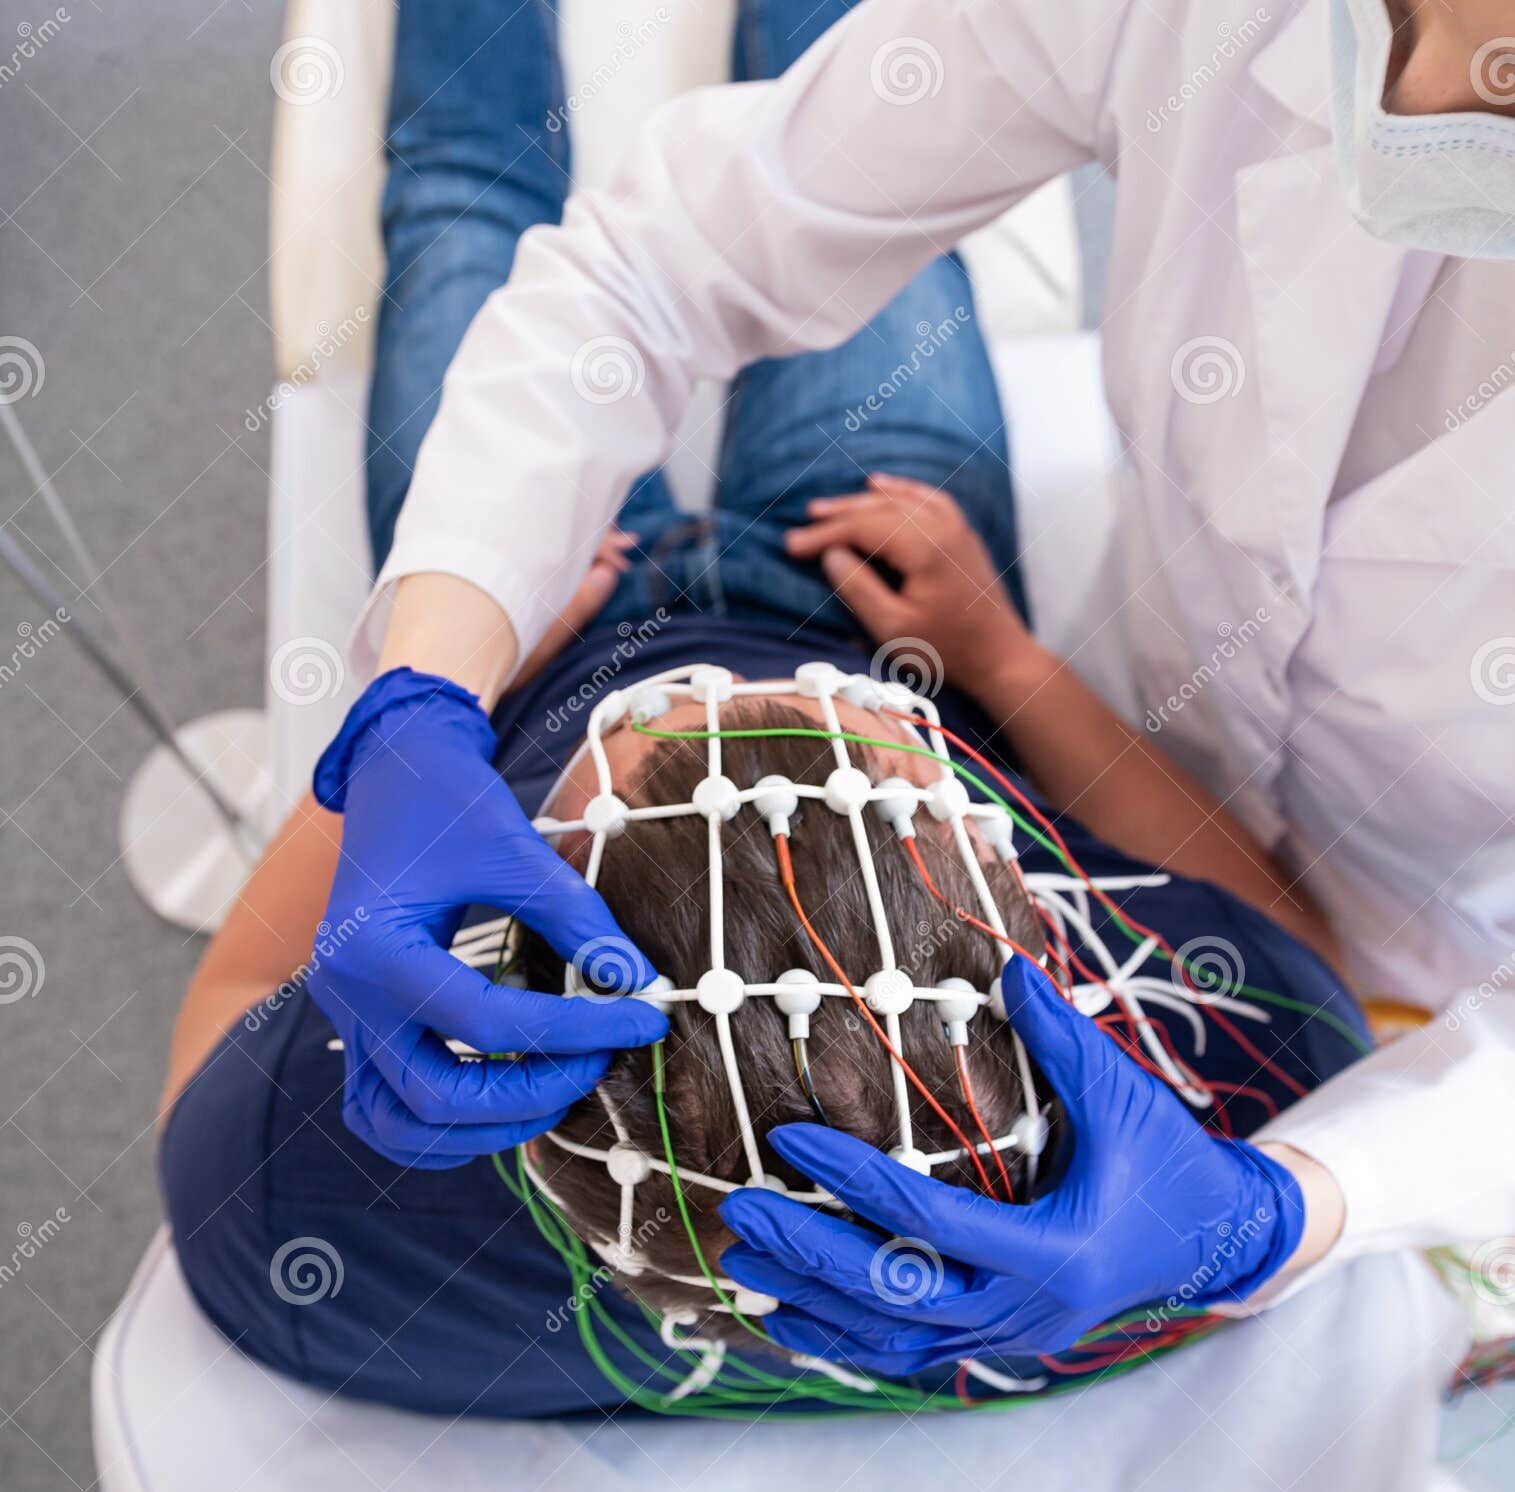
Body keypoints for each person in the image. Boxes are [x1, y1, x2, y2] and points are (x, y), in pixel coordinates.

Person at [158, 0, 1372, 1412]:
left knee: (458, 206)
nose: (721, 684)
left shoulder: (322, 1224)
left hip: (542, 642)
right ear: (1019, 904)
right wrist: (1001, 660)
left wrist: (419, 712)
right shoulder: (1166, 1195)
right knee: (848, 80)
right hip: (883, 590)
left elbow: (229, 1006)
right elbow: (1302, 944)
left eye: (665, 731)